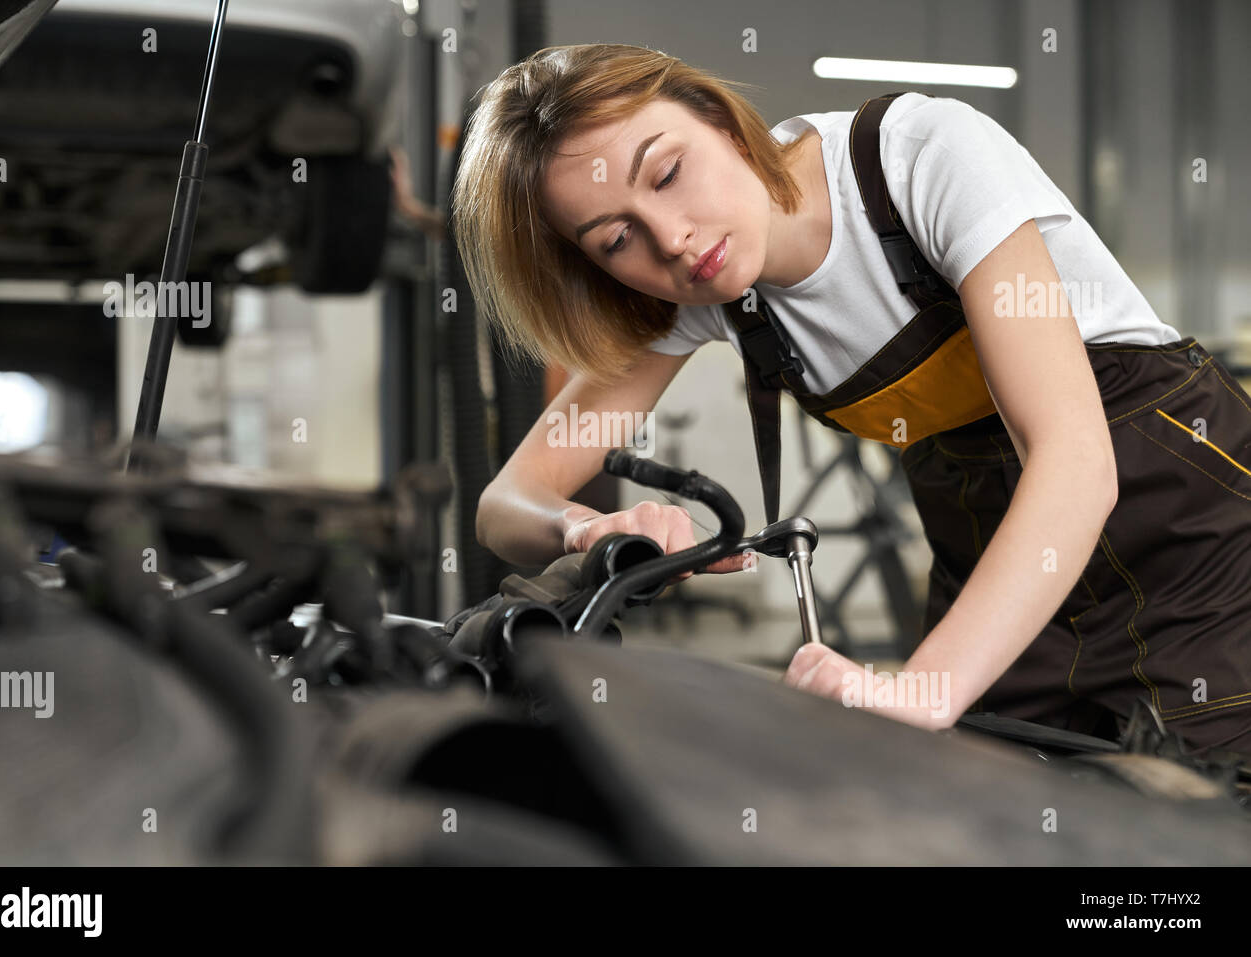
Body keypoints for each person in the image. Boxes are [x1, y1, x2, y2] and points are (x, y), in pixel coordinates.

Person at [453, 43, 1251, 759]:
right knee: (1009, 812)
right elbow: (507, 502)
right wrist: (590, 526)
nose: (673, 239)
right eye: (614, 239)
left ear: (721, 119)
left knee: (1198, 814)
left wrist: (923, 687)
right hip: (1000, 555)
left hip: (1188, 533)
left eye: (666, 172)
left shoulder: (919, 159)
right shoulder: (705, 293)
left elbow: (1075, 460)